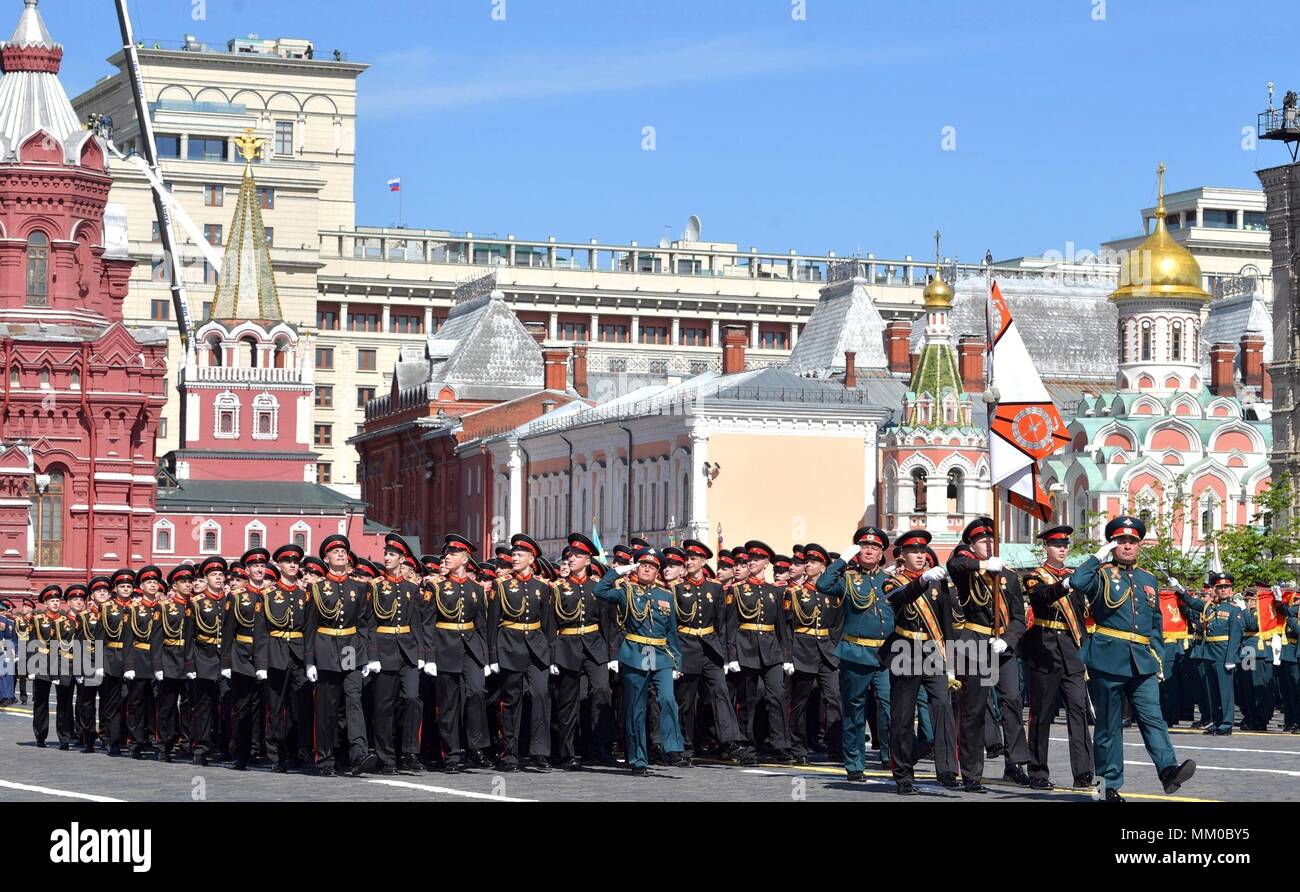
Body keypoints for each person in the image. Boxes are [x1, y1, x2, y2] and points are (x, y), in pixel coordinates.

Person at [1072, 516, 1196, 800]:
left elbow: (1155, 622)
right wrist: (1095, 558)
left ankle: (1167, 770)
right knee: (1108, 727)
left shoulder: (1148, 578)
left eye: (1132, 541)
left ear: (1139, 545)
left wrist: (1159, 658)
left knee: (1154, 718)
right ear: (1113, 545)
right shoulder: (1100, 574)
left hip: (1142, 660)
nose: (1127, 546)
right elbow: (1077, 583)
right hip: (1107, 658)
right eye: (1121, 541)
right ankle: (1108, 786)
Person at [946, 517, 1030, 791]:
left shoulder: (1008, 575)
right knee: (975, 709)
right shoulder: (968, 570)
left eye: (992, 540)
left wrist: (1008, 640)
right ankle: (972, 773)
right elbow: (954, 564)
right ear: (972, 544)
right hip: (975, 642)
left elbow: (1018, 616)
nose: (989, 544)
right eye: (983, 540)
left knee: (1013, 701)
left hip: (1001, 646)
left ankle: (1015, 763)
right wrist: (982, 565)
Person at [880, 530, 960, 793]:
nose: (920, 555)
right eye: (914, 551)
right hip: (905, 649)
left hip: (933, 648)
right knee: (903, 715)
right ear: (901, 555)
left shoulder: (938, 582)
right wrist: (922, 580)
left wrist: (950, 659)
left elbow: (946, 621)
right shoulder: (892, 581)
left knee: (943, 708)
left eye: (923, 551)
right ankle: (903, 774)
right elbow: (898, 598)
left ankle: (947, 769)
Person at [594, 547, 685, 775]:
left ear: (658, 572)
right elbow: (599, 590)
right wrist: (619, 571)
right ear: (637, 567)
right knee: (636, 709)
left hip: (661, 654)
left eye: (652, 566)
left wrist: (677, 662)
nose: (647, 568)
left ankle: (671, 747)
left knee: (667, 698)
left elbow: (672, 631)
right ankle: (638, 760)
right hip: (635, 652)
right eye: (643, 564)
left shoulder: (666, 595)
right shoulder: (625, 591)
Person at [816, 532, 897, 780]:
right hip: (856, 653)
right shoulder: (848, 579)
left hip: (886, 655)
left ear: (882, 552)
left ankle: (889, 756)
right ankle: (854, 764)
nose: (869, 550)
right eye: (864, 546)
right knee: (854, 710)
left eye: (874, 547)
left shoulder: (890, 580)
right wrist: (841, 561)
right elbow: (823, 585)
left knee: (890, 706)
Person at [1020, 525, 1094, 790]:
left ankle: (1083, 772)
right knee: (1041, 714)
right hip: (1045, 648)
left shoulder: (1075, 579)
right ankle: (1038, 772)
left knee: (1078, 709)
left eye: (1065, 545)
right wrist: (1064, 584)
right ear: (1046, 548)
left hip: (1071, 651)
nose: (1062, 549)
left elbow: (1084, 614)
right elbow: (1041, 599)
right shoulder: (1034, 577)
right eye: (1056, 545)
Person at [305, 534, 378, 777]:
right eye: (334, 551)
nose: (340, 554)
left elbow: (365, 624)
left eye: (343, 551)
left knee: (353, 699)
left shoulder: (358, 587)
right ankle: (325, 758)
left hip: (349, 647)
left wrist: (368, 655)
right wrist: (309, 660)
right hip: (325, 648)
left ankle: (359, 752)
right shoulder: (315, 588)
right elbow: (310, 627)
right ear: (326, 558)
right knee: (327, 707)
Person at [488, 533, 555, 772]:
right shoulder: (501, 585)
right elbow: (492, 622)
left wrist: (551, 655)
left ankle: (539, 752)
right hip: (510, 646)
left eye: (519, 555)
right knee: (511, 701)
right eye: (513, 554)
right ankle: (509, 753)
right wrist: (493, 656)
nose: (514, 558)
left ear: (531, 558)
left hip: (537, 647)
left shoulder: (542, 587)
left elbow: (548, 624)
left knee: (540, 696)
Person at [672, 538, 741, 763]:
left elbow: (722, 623)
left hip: (710, 649)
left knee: (720, 693)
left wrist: (725, 655)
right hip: (686, 646)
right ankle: (685, 747)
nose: (689, 562)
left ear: (703, 561)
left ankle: (730, 741)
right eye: (687, 559)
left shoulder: (715, 588)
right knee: (686, 701)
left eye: (693, 558)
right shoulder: (677, 588)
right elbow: (672, 625)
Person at [550, 533, 615, 768]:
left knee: (601, 692)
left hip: (595, 645)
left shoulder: (598, 587)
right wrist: (551, 656)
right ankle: (566, 752)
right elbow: (551, 624)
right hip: (567, 646)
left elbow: (608, 622)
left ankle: (601, 747)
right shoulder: (558, 587)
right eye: (570, 555)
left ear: (588, 560)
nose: (572, 558)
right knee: (569, 701)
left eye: (578, 555)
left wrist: (612, 654)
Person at [727, 540, 794, 764]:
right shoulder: (736, 591)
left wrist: (786, 656)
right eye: (750, 559)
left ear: (766, 563)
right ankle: (746, 747)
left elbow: (781, 627)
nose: (752, 562)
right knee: (748, 700)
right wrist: (731, 655)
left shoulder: (774, 592)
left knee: (777, 695)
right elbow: (730, 625)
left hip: (772, 650)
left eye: (756, 559)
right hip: (746, 648)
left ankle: (781, 744)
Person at [368, 534, 427, 775]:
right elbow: (369, 623)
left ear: (402, 559)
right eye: (386, 554)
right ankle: (386, 757)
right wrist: (371, 655)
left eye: (392, 554)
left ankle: (410, 752)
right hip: (383, 650)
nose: (387, 557)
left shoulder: (411, 588)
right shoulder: (374, 587)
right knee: (384, 706)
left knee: (412, 699)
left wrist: (422, 653)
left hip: (408, 650)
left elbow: (418, 623)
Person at [1171, 572, 1245, 736]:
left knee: (1225, 692)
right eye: (1220, 587)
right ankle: (1216, 721)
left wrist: (1231, 658)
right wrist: (1179, 589)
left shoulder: (1234, 610)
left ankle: (1226, 723)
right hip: (1209, 653)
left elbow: (1235, 636)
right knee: (1212, 691)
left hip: (1223, 654)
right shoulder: (1210, 607)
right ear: (1215, 590)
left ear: (1231, 590)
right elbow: (1192, 602)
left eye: (1226, 587)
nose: (1223, 590)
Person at [154, 567, 194, 762]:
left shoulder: (197, 605)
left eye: (190, 581)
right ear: (174, 585)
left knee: (189, 706)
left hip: (191, 660)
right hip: (170, 658)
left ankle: (186, 742)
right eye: (183, 581)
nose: (188, 584)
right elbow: (156, 638)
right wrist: (157, 665)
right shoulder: (163, 606)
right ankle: (165, 744)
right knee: (167, 706)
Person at [30, 585, 76, 749]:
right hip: (42, 662)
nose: (55, 603)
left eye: (57, 600)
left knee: (63, 702)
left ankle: (64, 738)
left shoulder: (67, 622)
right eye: (52, 600)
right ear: (45, 603)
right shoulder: (37, 620)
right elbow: (30, 642)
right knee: (41, 702)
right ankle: (40, 736)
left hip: (62, 663)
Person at [125, 568, 163, 758]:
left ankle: (152, 737)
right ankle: (135, 740)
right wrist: (129, 665)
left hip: (159, 661)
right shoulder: (133, 609)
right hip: (139, 658)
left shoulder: (164, 607)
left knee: (155, 701)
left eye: (155, 582)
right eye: (149, 582)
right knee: (137, 702)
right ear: (141, 586)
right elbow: (127, 638)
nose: (153, 585)